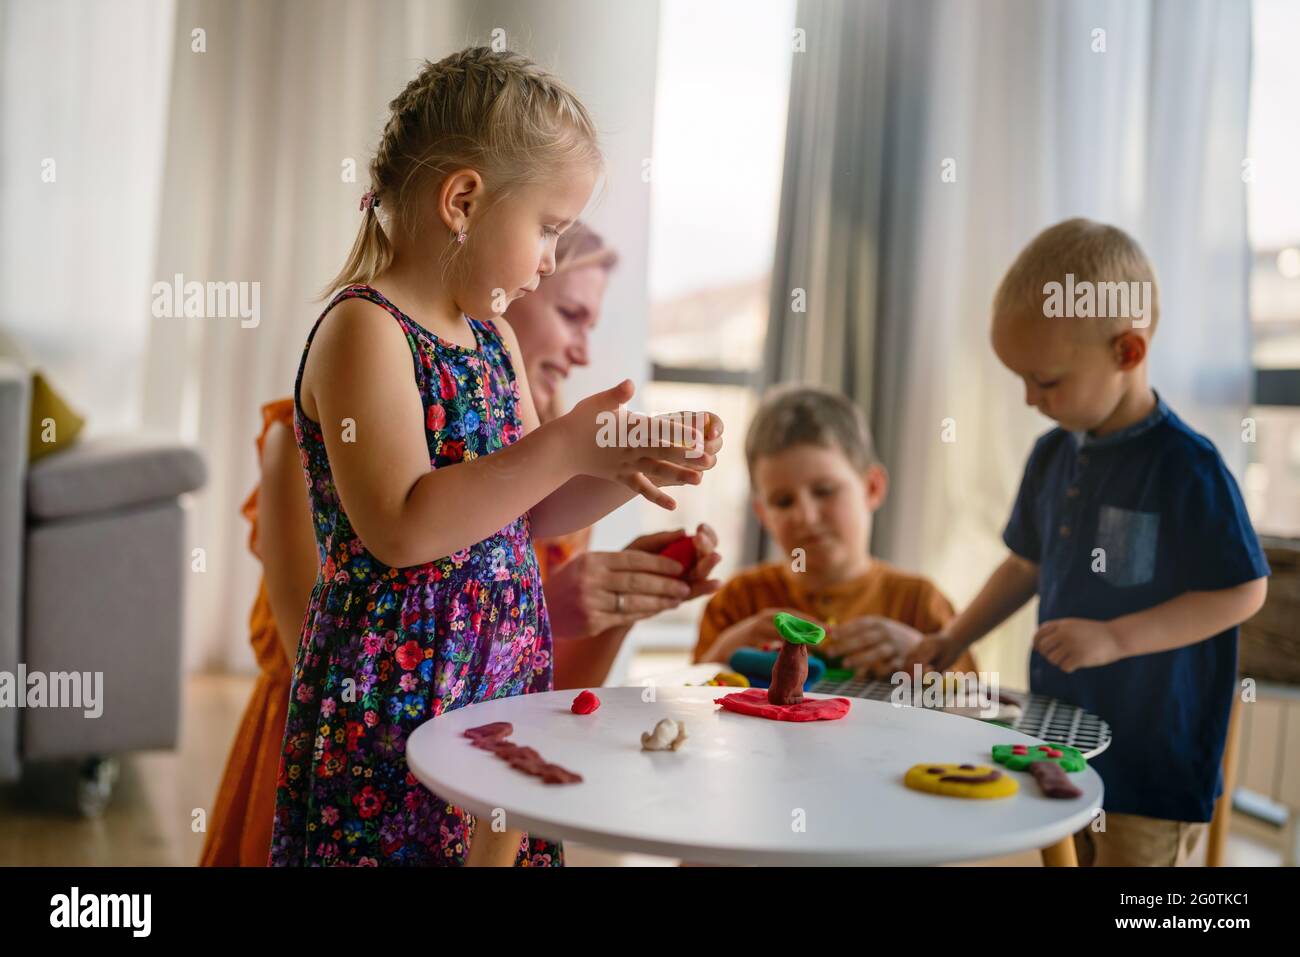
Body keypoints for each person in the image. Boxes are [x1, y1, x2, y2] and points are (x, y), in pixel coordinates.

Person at [269, 47, 722, 866]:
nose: (550, 257)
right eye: (548, 228)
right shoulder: (364, 331)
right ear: (464, 200)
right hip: (389, 709)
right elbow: (402, 527)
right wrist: (564, 442)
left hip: (497, 688)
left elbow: (530, 508)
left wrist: (618, 463)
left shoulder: (493, 338)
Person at [908, 218, 1269, 866]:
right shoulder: (1052, 455)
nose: (1028, 399)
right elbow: (1024, 565)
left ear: (1127, 352)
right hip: (1057, 735)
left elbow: (1243, 589)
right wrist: (953, 637)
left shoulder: (1187, 467)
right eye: (1019, 379)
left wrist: (1116, 637)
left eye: (1045, 381)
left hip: (1151, 761)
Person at [694, 385, 976, 679]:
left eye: (825, 491)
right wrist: (724, 651)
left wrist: (920, 652)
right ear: (762, 514)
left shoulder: (921, 603)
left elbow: (978, 707)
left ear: (872, 487)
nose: (806, 516)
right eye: (783, 501)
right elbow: (692, 702)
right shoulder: (737, 602)